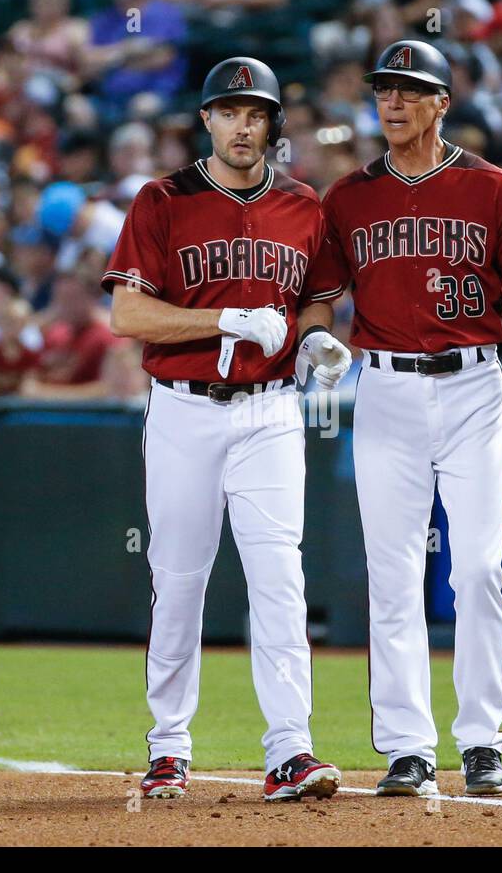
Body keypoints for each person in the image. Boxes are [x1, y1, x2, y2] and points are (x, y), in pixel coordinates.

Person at [309, 40, 502, 797]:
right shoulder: (347, 197)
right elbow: (322, 301)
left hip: (474, 388)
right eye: (383, 91)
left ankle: (482, 740)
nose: (391, 103)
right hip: (383, 389)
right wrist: (320, 338)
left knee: (480, 568)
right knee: (391, 576)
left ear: (441, 104)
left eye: (408, 91)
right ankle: (408, 750)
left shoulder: (492, 190)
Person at [103, 57, 343, 803]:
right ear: (206, 119)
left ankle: (290, 751)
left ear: (273, 123)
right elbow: (127, 315)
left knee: (279, 577)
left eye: (257, 113)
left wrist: (313, 339)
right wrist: (222, 319)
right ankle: (169, 748)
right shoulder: (162, 200)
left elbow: (316, 301)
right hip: (182, 405)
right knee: (178, 580)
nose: (245, 125)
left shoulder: (305, 206)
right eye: (230, 111)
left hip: (270, 410)